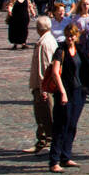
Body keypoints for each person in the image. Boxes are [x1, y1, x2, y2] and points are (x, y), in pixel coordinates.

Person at [47, 23, 89, 172]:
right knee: (61, 125)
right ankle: (54, 160)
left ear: (77, 35)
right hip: (65, 92)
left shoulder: (79, 50)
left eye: (72, 35)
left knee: (72, 125)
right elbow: (55, 72)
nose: (70, 38)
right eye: (68, 35)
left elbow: (87, 68)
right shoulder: (60, 51)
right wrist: (62, 92)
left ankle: (66, 156)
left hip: (78, 92)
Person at [29, 16, 58, 155]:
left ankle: (48, 142)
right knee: (42, 115)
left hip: (44, 86)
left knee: (45, 115)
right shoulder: (49, 39)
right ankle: (41, 141)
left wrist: (43, 88)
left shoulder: (44, 43)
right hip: (44, 85)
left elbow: (44, 67)